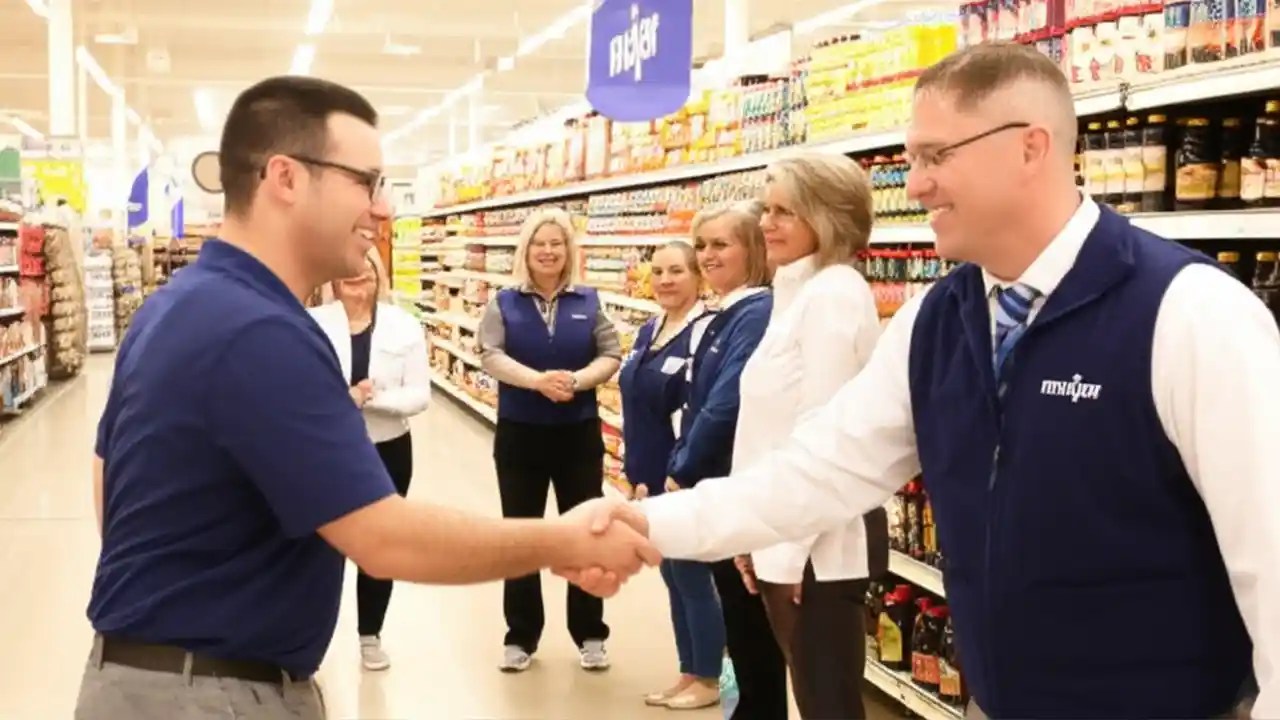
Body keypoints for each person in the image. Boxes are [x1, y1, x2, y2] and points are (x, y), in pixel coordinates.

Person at [564, 41, 1280, 720]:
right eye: (912, 158)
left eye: (937, 156)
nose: (914, 184)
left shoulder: (1190, 313)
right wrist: (646, 522)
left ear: (1030, 147)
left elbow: (1271, 560)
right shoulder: (935, 321)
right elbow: (818, 472)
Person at [80, 77, 657, 720]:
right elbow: (384, 539)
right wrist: (561, 541)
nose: (382, 209)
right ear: (286, 178)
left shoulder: (174, 305)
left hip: (146, 677)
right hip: (211, 694)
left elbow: (110, 483)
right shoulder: (262, 329)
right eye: (367, 180)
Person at [739, 154, 887, 719]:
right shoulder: (794, 293)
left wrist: (794, 550)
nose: (767, 224)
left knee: (827, 703)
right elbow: (765, 432)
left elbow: (825, 433)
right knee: (812, 698)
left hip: (818, 547)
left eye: (785, 213)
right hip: (782, 532)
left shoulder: (833, 294)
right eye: (766, 210)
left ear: (825, 219)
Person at [477, 207, 623, 674]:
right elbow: (489, 355)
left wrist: (578, 381)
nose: (547, 251)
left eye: (556, 244)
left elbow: (612, 353)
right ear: (525, 250)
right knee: (520, 535)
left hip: (577, 434)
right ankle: (520, 636)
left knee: (586, 533)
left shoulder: (588, 299)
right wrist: (537, 381)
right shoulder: (504, 302)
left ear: (568, 251)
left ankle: (590, 634)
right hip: (521, 432)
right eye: (539, 243)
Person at [666, 200, 786, 717]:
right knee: (738, 616)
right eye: (702, 245)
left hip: (732, 485)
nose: (707, 256)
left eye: (721, 244)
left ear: (754, 249)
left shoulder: (755, 313)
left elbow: (726, 401)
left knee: (748, 619)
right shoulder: (729, 312)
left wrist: (684, 466)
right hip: (719, 484)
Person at [309, 249, 431, 671]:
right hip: (326, 450)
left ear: (380, 275)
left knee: (382, 544)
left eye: (368, 267)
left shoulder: (404, 326)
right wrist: (340, 399)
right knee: (320, 545)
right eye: (350, 267)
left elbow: (420, 394)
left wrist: (371, 399)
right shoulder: (313, 323)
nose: (358, 273)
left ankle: (370, 635)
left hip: (388, 449)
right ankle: (310, 635)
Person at [617, 241, 723, 709]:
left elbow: (701, 414)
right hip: (647, 475)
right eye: (657, 271)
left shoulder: (705, 333)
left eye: (676, 271)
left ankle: (708, 678)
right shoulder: (650, 329)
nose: (664, 280)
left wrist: (675, 473)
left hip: (683, 476)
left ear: (698, 275)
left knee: (692, 576)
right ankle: (688, 671)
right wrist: (633, 469)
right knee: (672, 577)